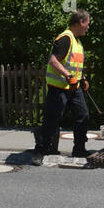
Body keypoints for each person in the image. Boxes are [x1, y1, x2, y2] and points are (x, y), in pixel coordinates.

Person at [34, 10, 91, 164]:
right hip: (59, 87)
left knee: (83, 115)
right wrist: (68, 76)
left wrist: (82, 78)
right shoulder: (66, 38)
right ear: (80, 22)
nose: (88, 27)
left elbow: (73, 65)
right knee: (52, 120)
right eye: (87, 23)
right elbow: (53, 61)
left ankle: (79, 149)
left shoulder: (77, 41)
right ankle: (40, 150)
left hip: (74, 87)